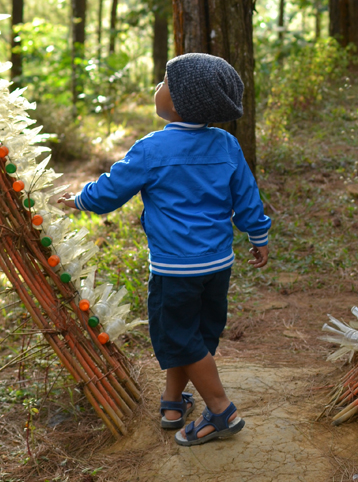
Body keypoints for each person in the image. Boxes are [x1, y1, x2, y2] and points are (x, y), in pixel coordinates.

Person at [60, 53, 270, 446]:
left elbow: (109, 193)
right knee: (197, 336)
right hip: (217, 266)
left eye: (164, 81)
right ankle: (173, 402)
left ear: (178, 102)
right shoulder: (226, 144)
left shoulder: (152, 149)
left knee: (178, 338)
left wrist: (78, 201)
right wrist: (259, 236)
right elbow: (247, 198)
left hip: (175, 271)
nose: (157, 87)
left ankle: (222, 410)